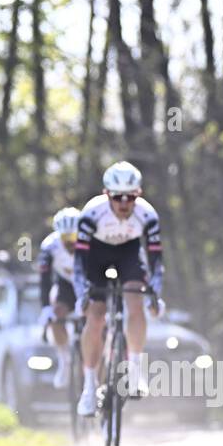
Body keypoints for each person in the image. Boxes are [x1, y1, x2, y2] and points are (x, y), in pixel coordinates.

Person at [74, 161, 164, 415]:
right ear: (107, 195)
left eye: (130, 197)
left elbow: (157, 259)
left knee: (135, 302)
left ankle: (134, 369)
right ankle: (89, 387)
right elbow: (79, 262)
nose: (124, 203)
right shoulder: (92, 214)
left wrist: (155, 292)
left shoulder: (147, 215)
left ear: (138, 195)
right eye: (117, 197)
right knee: (96, 316)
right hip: (96, 255)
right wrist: (82, 291)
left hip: (129, 254)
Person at [37, 207, 82, 389]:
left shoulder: (91, 241)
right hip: (66, 285)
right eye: (65, 238)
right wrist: (45, 307)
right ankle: (64, 359)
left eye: (73, 238)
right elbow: (44, 279)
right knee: (56, 313)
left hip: (88, 282)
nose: (70, 242)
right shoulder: (49, 246)